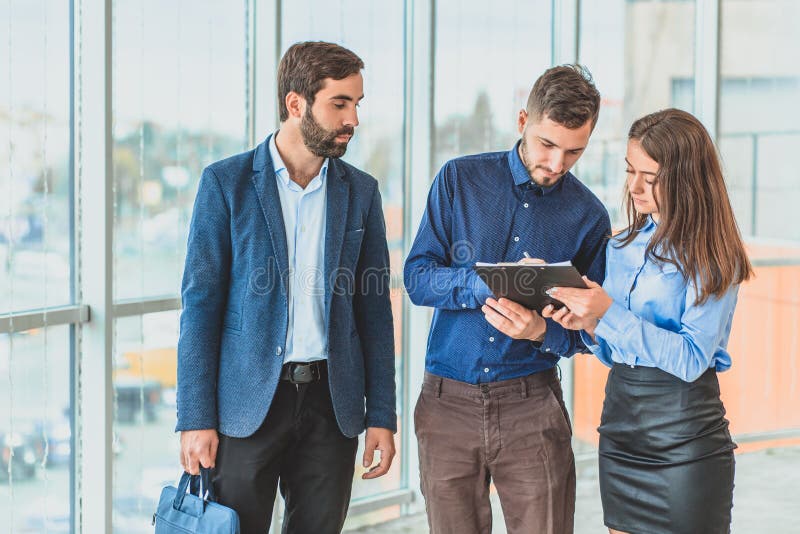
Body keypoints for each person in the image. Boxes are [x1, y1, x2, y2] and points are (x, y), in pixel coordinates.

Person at [176, 41, 397, 534]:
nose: (353, 119)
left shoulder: (361, 192)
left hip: (331, 405)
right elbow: (200, 308)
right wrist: (195, 417)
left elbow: (374, 313)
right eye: (340, 103)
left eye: (357, 104)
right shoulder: (225, 184)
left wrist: (381, 414)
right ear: (296, 104)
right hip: (247, 404)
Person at [404, 65, 611, 534]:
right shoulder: (459, 180)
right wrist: (490, 284)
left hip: (532, 405)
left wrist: (541, 330)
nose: (558, 164)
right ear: (522, 121)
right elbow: (417, 279)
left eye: (574, 150)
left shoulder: (589, 216)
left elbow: (592, 334)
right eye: (547, 144)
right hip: (446, 404)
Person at [539, 108, 752, 534]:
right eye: (630, 171)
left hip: (686, 438)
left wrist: (607, 313)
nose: (634, 187)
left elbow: (692, 359)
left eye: (650, 177)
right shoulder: (622, 246)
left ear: (686, 179)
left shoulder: (713, 257)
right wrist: (587, 321)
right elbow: (616, 350)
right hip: (621, 427)